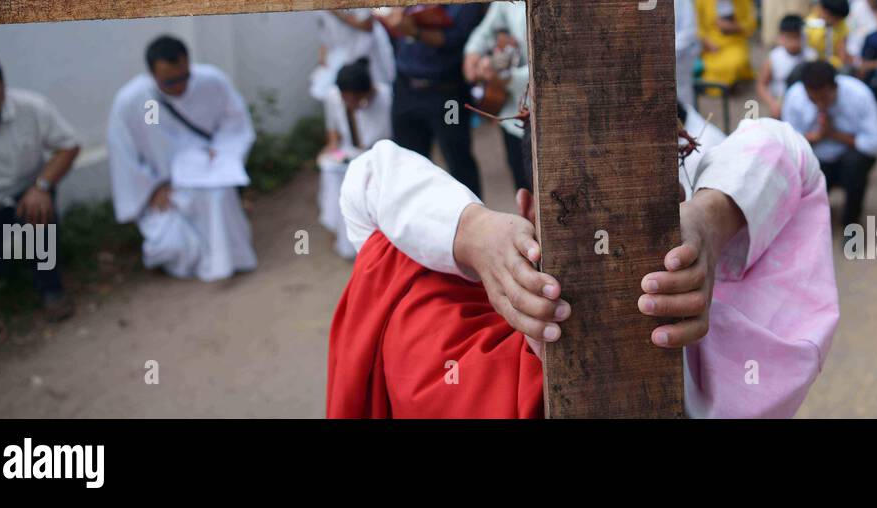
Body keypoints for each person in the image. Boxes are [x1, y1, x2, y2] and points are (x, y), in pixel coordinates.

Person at [326, 116, 840, 419]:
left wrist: (473, 232)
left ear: (525, 209)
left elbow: (368, 180)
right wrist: (710, 219)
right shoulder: (734, 364)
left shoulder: (443, 351)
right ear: (679, 198)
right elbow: (786, 150)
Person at [107, 36, 257, 282]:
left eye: (184, 77)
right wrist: (152, 189)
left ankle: (230, 261)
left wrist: (221, 152)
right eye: (170, 81)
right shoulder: (130, 101)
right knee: (168, 246)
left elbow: (236, 123)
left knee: (218, 199)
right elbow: (123, 155)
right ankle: (202, 261)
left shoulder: (212, 81)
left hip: (209, 173)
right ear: (152, 75)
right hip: (163, 186)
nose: (179, 86)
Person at [0, 54, 79, 322]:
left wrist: (42, 186)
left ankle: (51, 290)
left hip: (22, 198)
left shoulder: (32, 107)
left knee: (39, 213)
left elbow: (68, 145)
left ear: (3, 84)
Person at [379, 0, 488, 197]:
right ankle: (414, 241)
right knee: (407, 171)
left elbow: (454, 38)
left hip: (445, 90)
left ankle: (474, 237)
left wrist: (412, 29)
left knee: (460, 167)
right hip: (405, 88)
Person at [782, 60, 877, 230]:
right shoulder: (795, 96)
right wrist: (816, 137)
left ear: (835, 87)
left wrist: (833, 134)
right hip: (815, 157)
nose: (820, 104)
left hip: (847, 157)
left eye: (824, 98)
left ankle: (851, 223)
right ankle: (806, 223)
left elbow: (875, 143)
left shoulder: (859, 94)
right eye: (813, 99)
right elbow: (788, 140)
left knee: (856, 166)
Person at [318, 58, 393, 260]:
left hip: (380, 155)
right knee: (330, 169)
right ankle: (344, 237)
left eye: (356, 99)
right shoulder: (333, 97)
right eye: (347, 99)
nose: (352, 104)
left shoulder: (387, 97)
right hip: (349, 153)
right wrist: (331, 148)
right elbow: (333, 130)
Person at [462, 0, 530, 190]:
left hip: (548, 116)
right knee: (523, 187)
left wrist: (508, 79)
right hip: (513, 119)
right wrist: (472, 54)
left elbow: (551, 67)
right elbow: (484, 32)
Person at [756, 15, 817, 119]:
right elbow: (761, 85)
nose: (793, 42)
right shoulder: (774, 58)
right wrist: (772, 103)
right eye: (789, 37)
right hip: (780, 101)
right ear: (780, 37)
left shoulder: (811, 56)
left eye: (796, 36)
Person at [695, 0, 756, 89]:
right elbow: (697, 26)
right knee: (711, 68)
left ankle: (731, 84)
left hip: (735, 43)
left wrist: (734, 27)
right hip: (712, 46)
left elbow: (751, 25)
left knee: (735, 63)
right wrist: (707, 42)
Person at [806, 0, 850, 69]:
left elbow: (841, 57)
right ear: (824, 11)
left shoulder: (841, 24)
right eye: (835, 19)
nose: (838, 23)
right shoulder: (808, 25)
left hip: (832, 67)